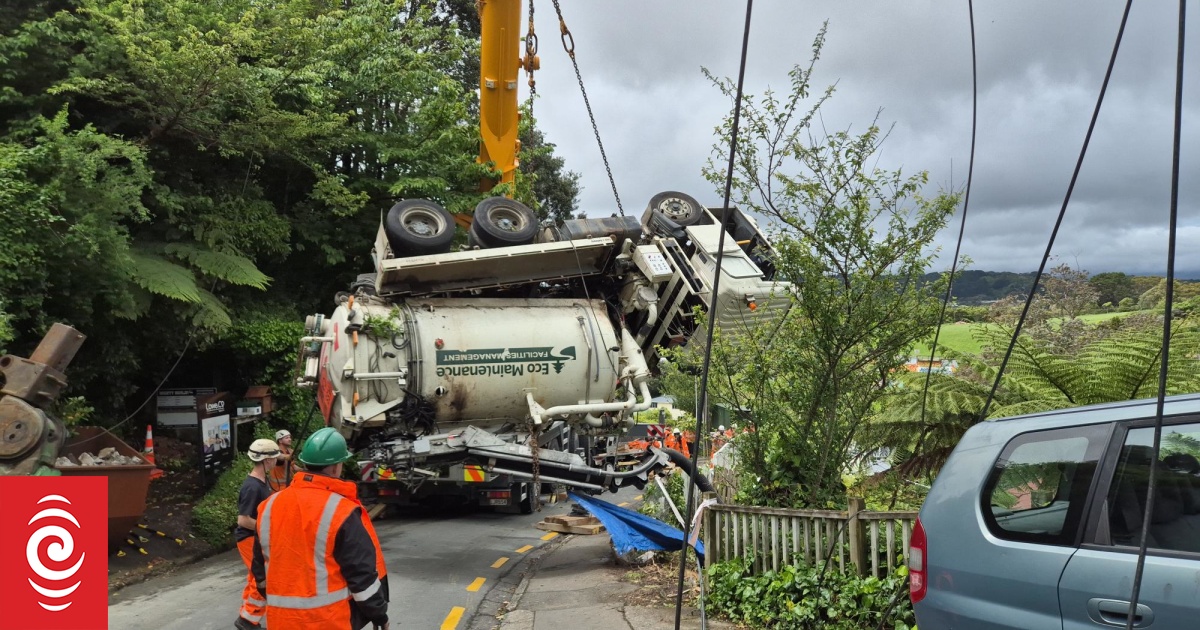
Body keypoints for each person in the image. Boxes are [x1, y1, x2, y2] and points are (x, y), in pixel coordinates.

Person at [251, 427, 390, 630]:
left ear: (306, 464)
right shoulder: (342, 510)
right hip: (328, 621)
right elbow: (361, 575)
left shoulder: (268, 506)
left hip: (281, 622)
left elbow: (259, 570)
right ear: (335, 468)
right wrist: (380, 616)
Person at [234, 439, 280, 629]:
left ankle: (247, 615)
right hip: (249, 538)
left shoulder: (261, 482)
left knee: (255, 577)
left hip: (255, 538)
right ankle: (248, 619)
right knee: (262, 578)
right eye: (274, 458)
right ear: (267, 461)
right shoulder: (252, 487)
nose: (276, 461)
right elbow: (243, 520)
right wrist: (268, 529)